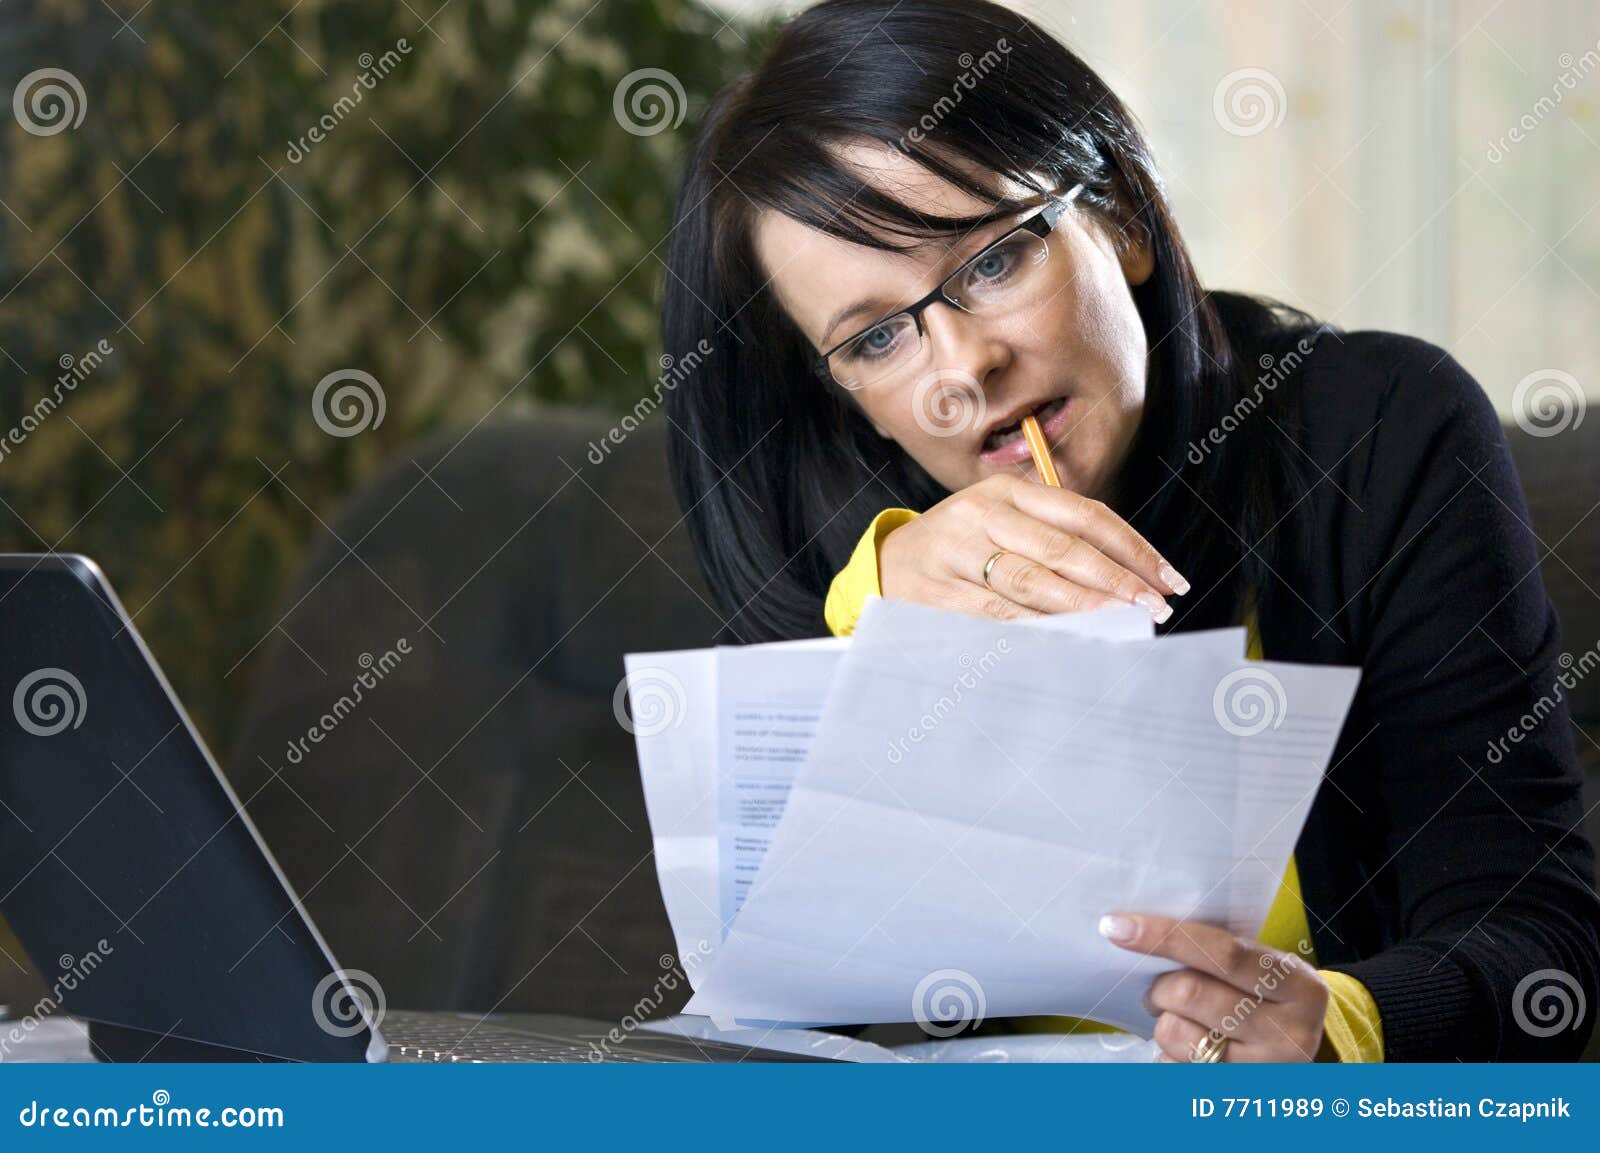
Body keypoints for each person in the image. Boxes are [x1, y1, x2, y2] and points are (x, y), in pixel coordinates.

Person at [660, 0, 1599, 1061]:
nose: (962, 369)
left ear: (1119, 217)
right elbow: (758, 1015)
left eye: (992, 262)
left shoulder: (1378, 432)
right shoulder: (841, 552)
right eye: (877, 337)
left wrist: (1339, 1026)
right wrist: (873, 633)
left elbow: (1541, 946)